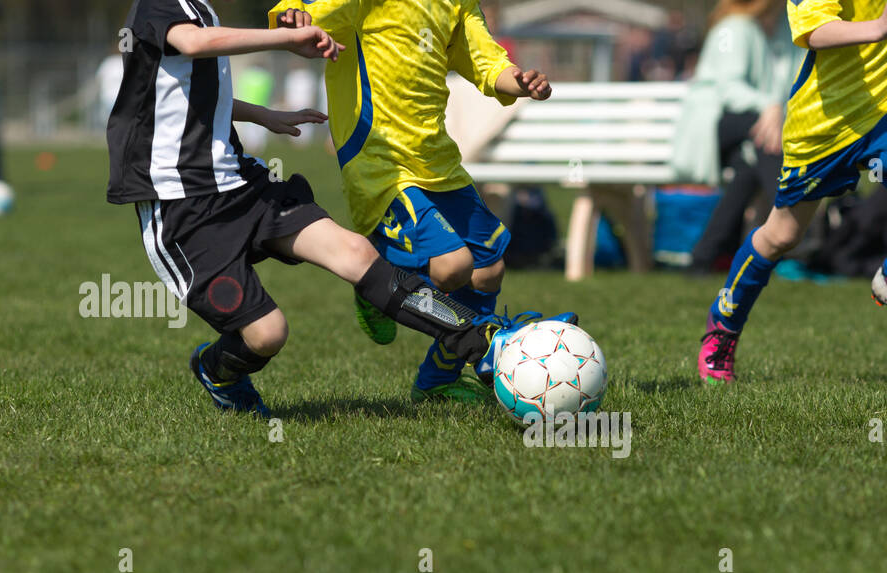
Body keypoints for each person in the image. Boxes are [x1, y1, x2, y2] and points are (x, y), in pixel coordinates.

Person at [108, 0, 528, 417]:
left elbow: (190, 94)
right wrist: (286, 38)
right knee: (267, 334)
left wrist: (261, 115)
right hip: (184, 204)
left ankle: (481, 339)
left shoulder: (199, 7)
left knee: (358, 254)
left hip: (242, 182)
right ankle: (218, 371)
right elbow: (196, 44)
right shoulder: (158, 6)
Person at [269, 1, 575, 405]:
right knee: (454, 266)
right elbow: (303, 19)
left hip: (438, 162)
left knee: (488, 270)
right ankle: (381, 282)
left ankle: (436, 378)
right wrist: (292, 15)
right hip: (380, 164)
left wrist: (519, 81)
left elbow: (484, 62)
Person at [697, 0, 887, 384]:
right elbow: (812, 32)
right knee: (782, 235)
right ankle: (724, 324)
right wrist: (878, 27)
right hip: (825, 120)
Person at [671, 0, 799, 274]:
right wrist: (770, 106)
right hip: (710, 124)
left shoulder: (765, 31)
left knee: (749, 168)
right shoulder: (735, 28)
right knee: (764, 135)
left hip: (738, 128)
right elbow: (729, 89)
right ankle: (793, 219)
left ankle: (707, 255)